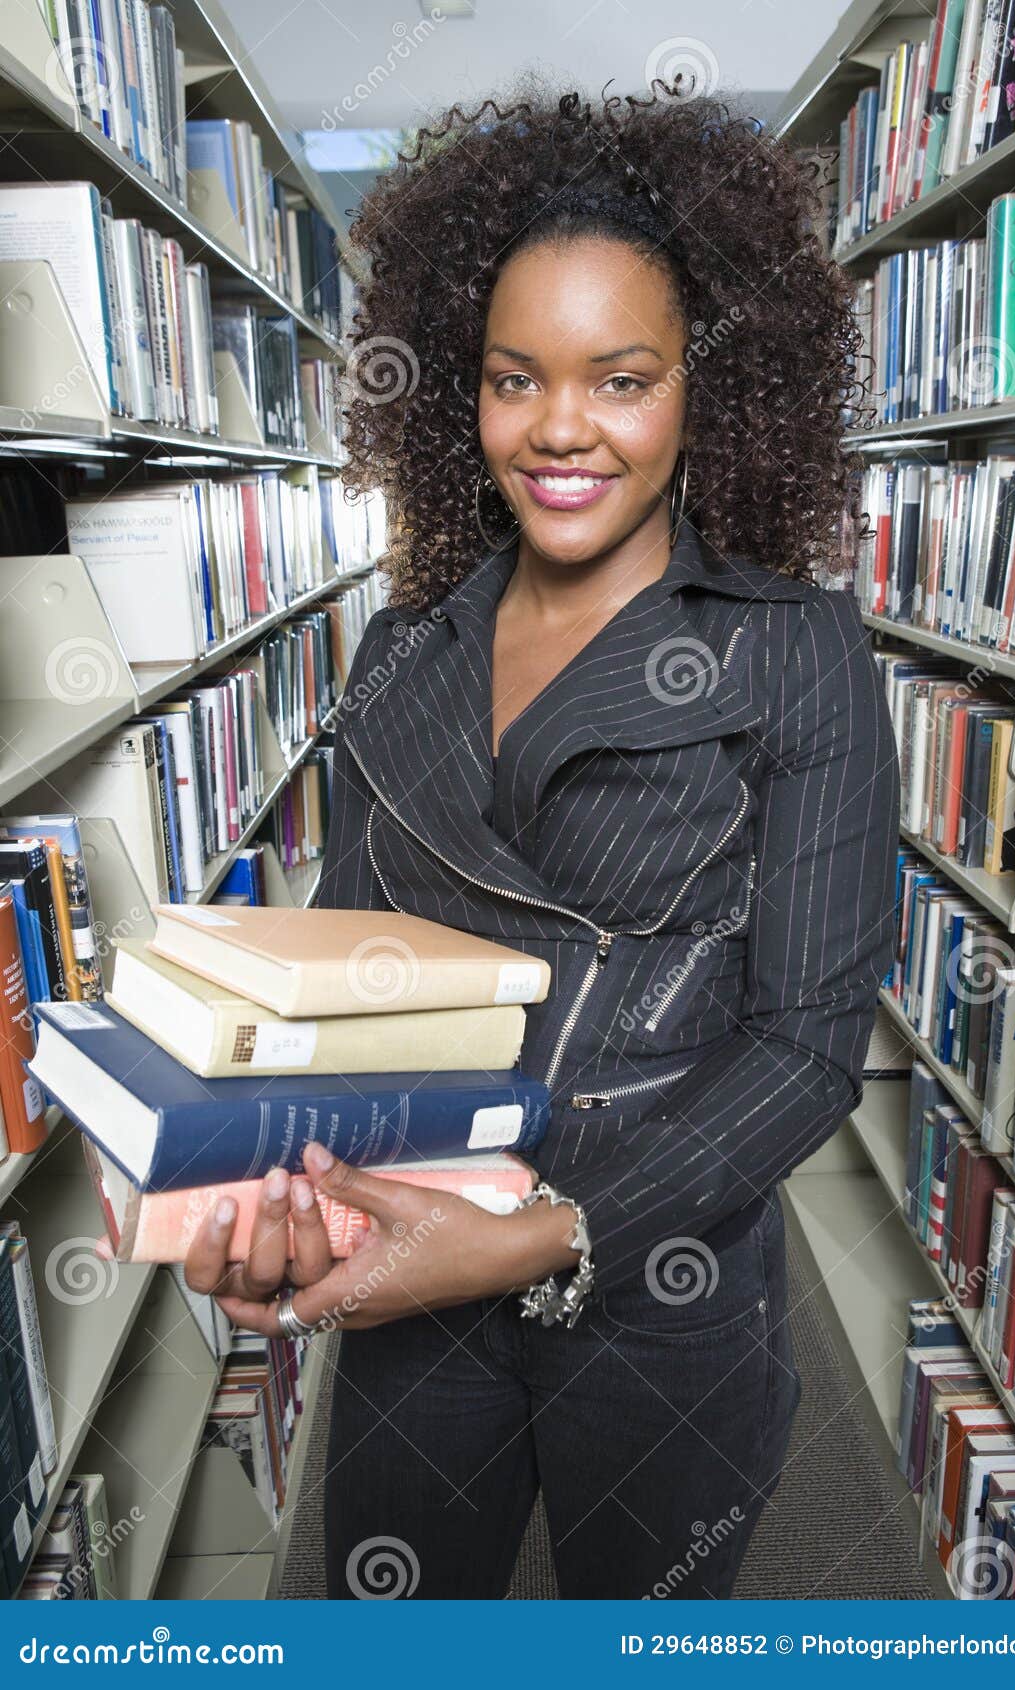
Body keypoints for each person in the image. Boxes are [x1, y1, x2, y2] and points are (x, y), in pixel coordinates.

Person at [184, 80, 901, 1600]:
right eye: (516, 379)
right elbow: (339, 985)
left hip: (659, 1276)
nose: (560, 428)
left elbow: (806, 1047)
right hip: (408, 1253)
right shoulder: (404, 645)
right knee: (398, 1622)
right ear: (469, 393)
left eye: (621, 378)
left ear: (708, 388)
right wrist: (250, 1199)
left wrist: (538, 1234)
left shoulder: (795, 652)